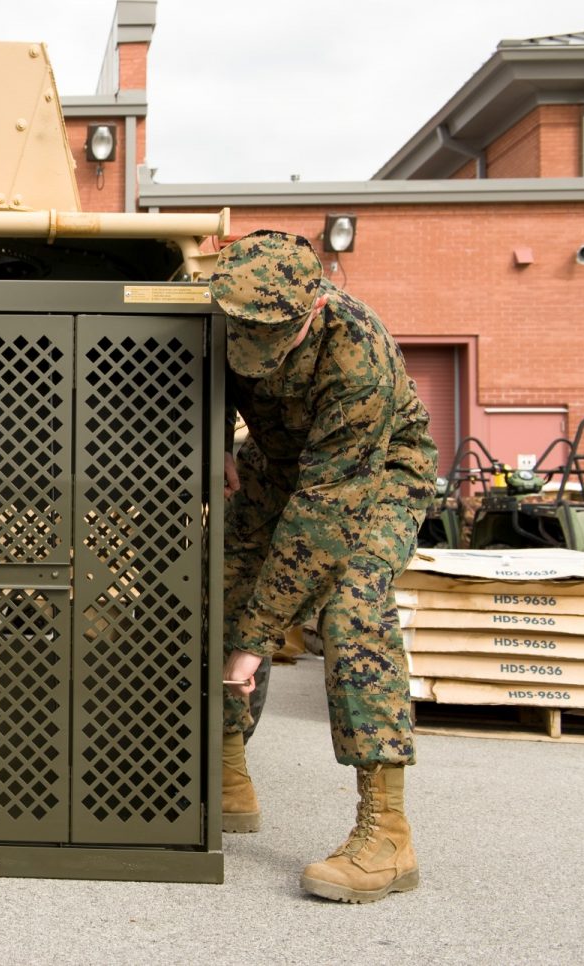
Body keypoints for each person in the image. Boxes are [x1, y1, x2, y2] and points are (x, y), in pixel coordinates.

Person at [213, 230, 436, 904]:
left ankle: (387, 834)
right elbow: (190, 372)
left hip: (375, 474)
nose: (252, 349)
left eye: (271, 336)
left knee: (351, 608)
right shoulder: (225, 303)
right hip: (275, 464)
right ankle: (224, 771)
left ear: (312, 308)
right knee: (215, 584)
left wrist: (257, 641)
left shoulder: (356, 351)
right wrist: (213, 437)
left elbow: (323, 513)